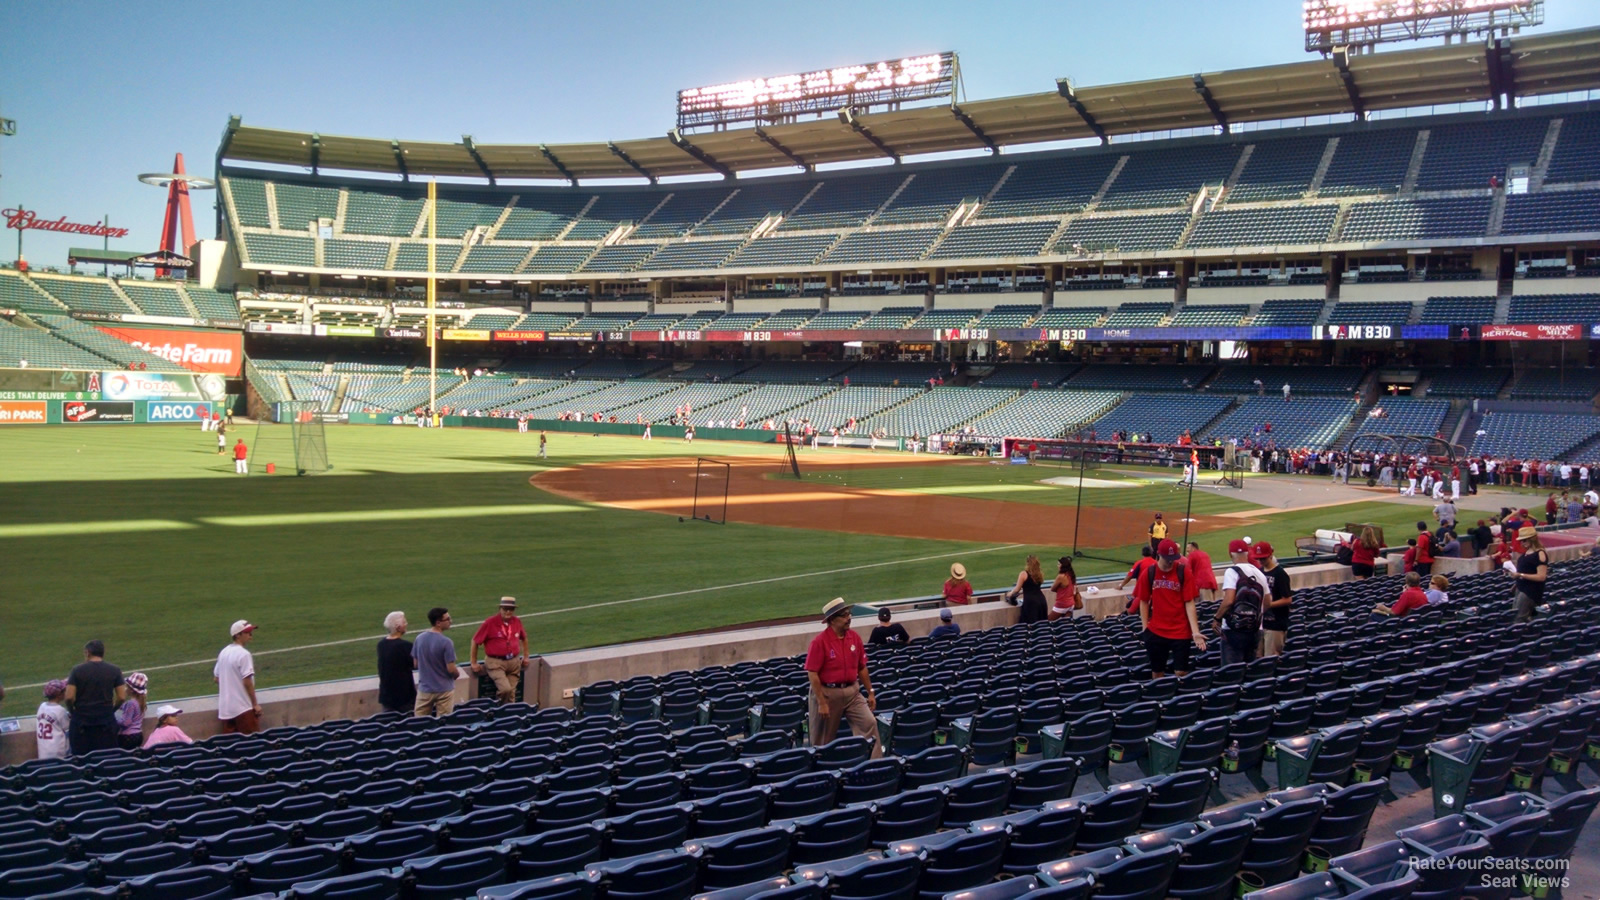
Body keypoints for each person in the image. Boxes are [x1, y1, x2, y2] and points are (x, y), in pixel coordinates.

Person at [805, 598, 881, 757]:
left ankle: (874, 764)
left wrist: (871, 691)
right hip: (828, 693)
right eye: (844, 615)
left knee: (869, 723)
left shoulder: (854, 637)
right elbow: (812, 673)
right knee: (823, 739)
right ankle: (821, 772)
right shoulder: (819, 642)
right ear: (832, 620)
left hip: (852, 691)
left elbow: (862, 667)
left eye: (849, 614)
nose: (849, 618)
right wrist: (821, 702)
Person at [1137, 540, 1206, 679]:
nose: (1170, 562)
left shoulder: (1183, 571)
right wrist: (1145, 628)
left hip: (1180, 631)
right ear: (1158, 555)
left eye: (1173, 559)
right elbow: (1143, 601)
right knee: (1157, 672)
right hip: (1156, 631)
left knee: (1181, 672)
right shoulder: (1149, 572)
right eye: (1167, 559)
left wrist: (1195, 632)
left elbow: (1189, 602)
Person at [65, 640, 125, 755]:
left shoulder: (77, 670)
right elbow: (122, 697)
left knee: (81, 760)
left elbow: (69, 697)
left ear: (88, 652)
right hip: (106, 722)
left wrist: (72, 711)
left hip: (82, 722)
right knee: (107, 759)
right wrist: (111, 710)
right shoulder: (115, 670)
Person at [1215, 539, 1269, 665]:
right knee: (1250, 672)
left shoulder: (1232, 571)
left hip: (1233, 630)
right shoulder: (1259, 573)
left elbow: (1229, 600)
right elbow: (1267, 602)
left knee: (1231, 674)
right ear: (1247, 553)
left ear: (1230, 554)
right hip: (1255, 630)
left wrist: (1217, 618)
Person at [469, 597, 531, 704]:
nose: (508, 612)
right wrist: (473, 662)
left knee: (511, 693)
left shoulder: (516, 621)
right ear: (500, 609)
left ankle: (508, 716)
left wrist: (526, 656)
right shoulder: (490, 622)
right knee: (505, 689)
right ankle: (499, 710)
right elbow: (475, 641)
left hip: (514, 662)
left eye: (511, 609)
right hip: (496, 663)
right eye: (505, 609)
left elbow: (524, 638)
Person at [215, 620, 262, 734]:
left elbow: (216, 678)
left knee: (232, 747)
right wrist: (255, 704)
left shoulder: (224, 652)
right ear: (237, 635)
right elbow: (247, 681)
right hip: (243, 709)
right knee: (252, 744)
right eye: (247, 632)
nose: (250, 635)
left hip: (225, 710)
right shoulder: (244, 654)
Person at [413, 607, 460, 716]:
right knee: (443, 724)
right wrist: (456, 675)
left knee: (420, 723)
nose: (450, 621)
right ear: (438, 623)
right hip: (444, 690)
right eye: (448, 619)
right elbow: (451, 669)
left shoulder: (419, 638)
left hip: (425, 689)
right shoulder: (447, 642)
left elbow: (416, 664)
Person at [1252, 542, 1291, 656]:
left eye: (1263, 558)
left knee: (1270, 659)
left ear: (1270, 555)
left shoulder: (1280, 574)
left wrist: (1269, 605)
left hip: (1276, 625)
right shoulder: (1259, 572)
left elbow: (1288, 599)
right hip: (1261, 624)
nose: (1261, 561)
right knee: (1258, 658)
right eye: (1258, 558)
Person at [376, 611, 416, 715]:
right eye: (404, 622)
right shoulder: (405, 646)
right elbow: (416, 665)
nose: (406, 624)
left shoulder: (381, 644)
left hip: (386, 695)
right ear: (398, 627)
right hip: (404, 696)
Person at [1512, 528, 1548, 623]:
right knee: (1515, 614)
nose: (1522, 543)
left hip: (1530, 591)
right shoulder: (1527, 553)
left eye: (1524, 540)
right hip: (1521, 588)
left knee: (1519, 618)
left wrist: (1521, 575)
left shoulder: (1540, 553)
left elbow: (1541, 576)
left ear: (1531, 539)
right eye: (1521, 541)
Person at [1004, 554, 1049, 624]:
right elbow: (1032, 587)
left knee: (1030, 625)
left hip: (1031, 603)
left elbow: (1016, 589)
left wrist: (1009, 594)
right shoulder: (1039, 573)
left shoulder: (1023, 574)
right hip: (1041, 600)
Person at [36, 680, 70, 760]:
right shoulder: (60, 710)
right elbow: (67, 727)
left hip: (43, 751)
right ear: (59, 695)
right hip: (58, 752)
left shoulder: (42, 706)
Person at [114, 672, 149, 751]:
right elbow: (127, 707)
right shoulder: (140, 702)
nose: (125, 688)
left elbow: (126, 722)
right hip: (138, 735)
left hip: (127, 737)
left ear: (132, 690)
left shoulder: (131, 703)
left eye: (127, 687)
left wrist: (114, 719)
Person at [1048, 556, 1082, 621]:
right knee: (1066, 624)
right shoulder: (1071, 575)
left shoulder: (1061, 576)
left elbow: (1052, 588)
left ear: (1063, 566)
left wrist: (1058, 590)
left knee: (1048, 621)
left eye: (1059, 564)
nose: (1057, 566)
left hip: (1062, 604)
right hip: (1071, 604)